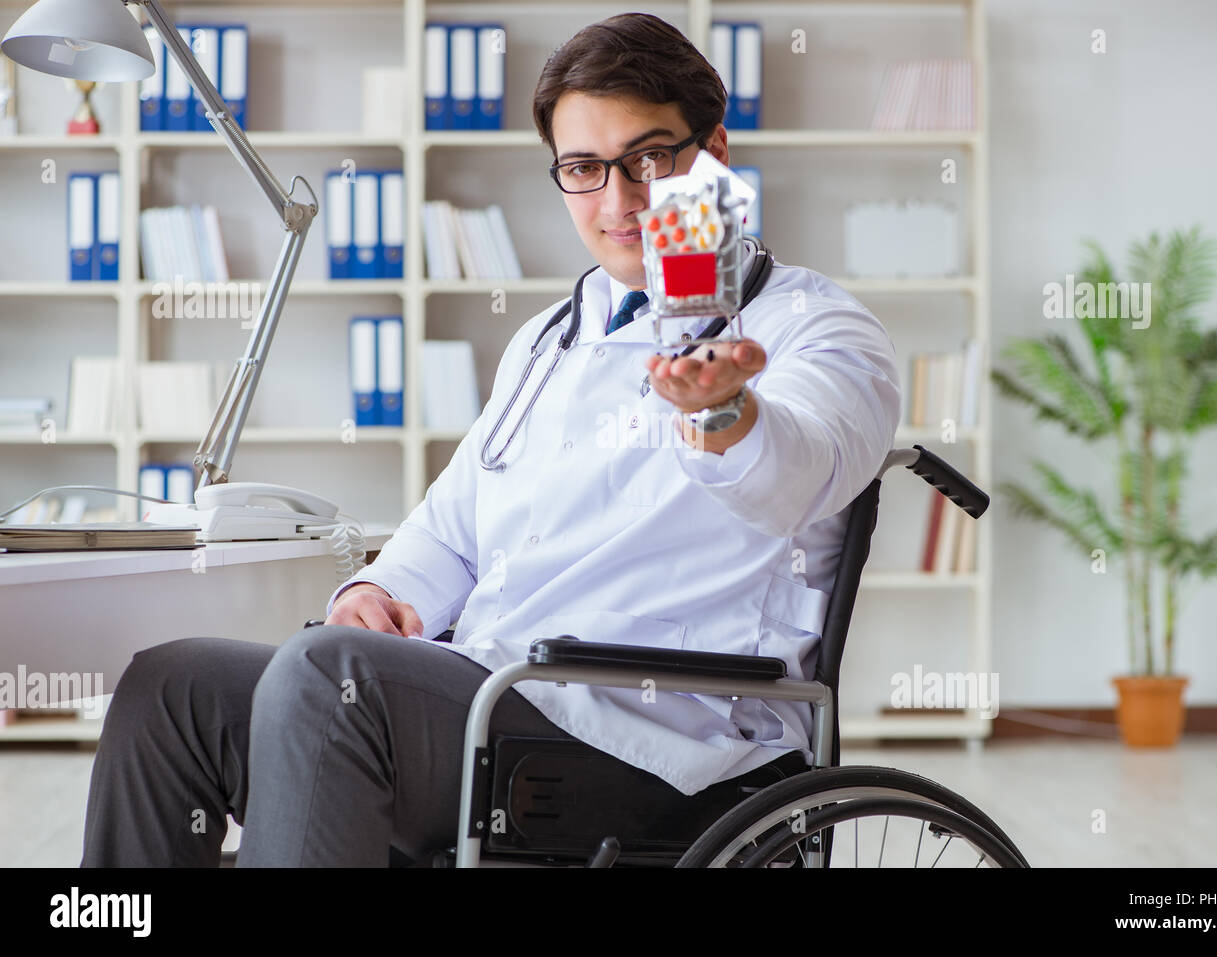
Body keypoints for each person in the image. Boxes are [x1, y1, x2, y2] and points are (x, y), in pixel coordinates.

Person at [81, 12, 901, 867]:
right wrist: (378, 591)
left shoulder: (817, 325)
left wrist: (726, 413)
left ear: (716, 153)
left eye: (650, 158)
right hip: (497, 691)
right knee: (167, 690)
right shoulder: (546, 338)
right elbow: (449, 528)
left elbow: (801, 466)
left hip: (663, 740)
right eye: (585, 168)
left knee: (330, 682)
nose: (619, 199)